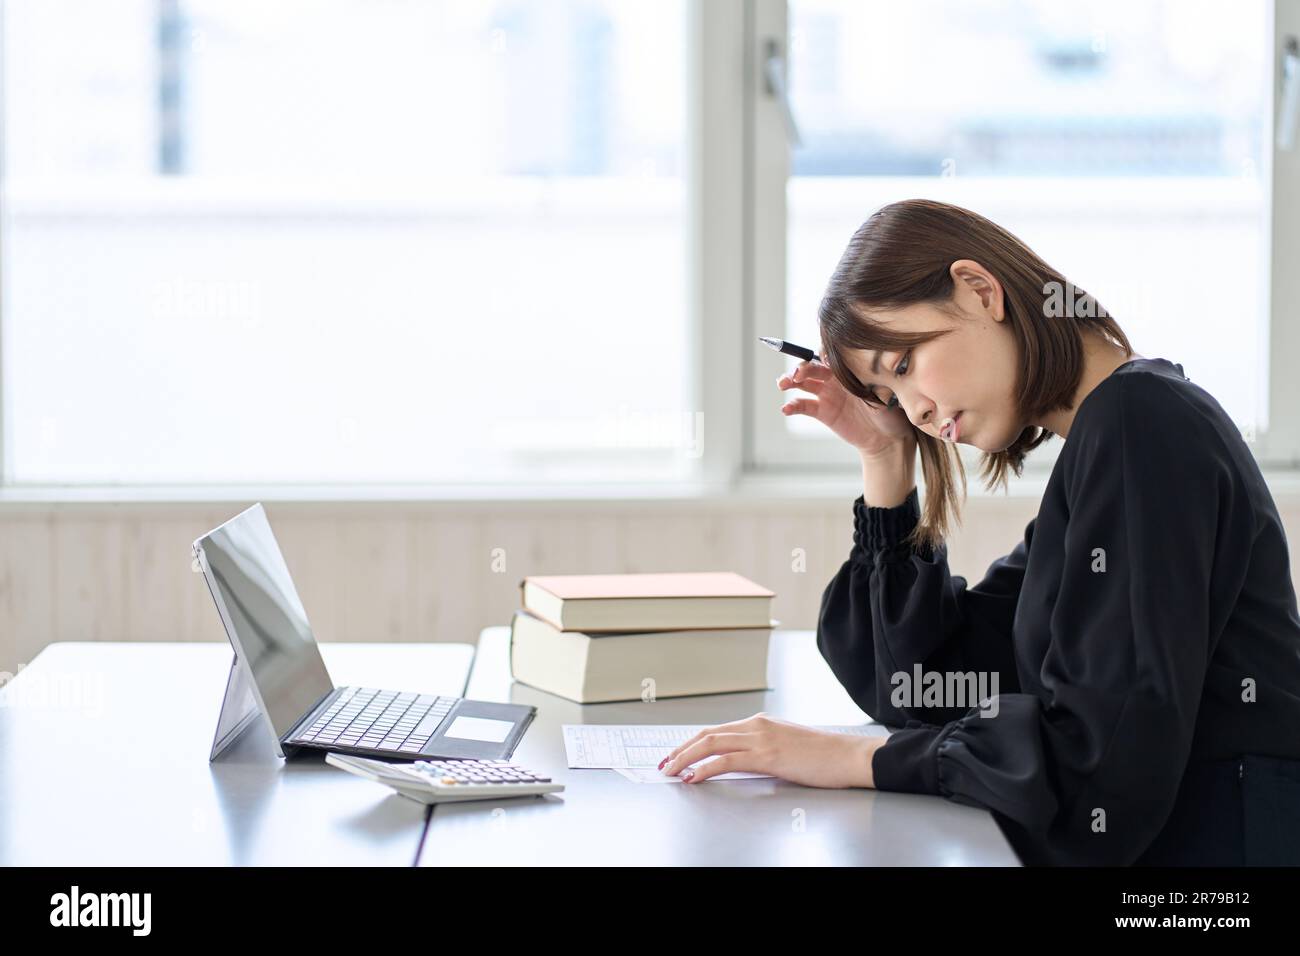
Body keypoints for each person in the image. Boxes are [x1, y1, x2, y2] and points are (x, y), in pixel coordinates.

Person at [658, 198, 1300, 866]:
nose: (915, 412)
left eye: (902, 366)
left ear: (979, 289)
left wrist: (852, 757)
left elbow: (1102, 760)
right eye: (888, 397)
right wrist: (885, 460)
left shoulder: (1140, 424)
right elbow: (926, 685)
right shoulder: (1103, 444)